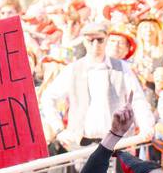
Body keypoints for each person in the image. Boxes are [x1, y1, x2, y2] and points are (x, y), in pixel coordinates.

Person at [39, 21, 155, 149]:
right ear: (84, 41)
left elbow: (137, 100)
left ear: (106, 40)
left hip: (119, 144)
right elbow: (48, 97)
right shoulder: (73, 69)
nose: (95, 45)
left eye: (99, 40)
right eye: (90, 40)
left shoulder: (121, 67)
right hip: (82, 145)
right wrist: (59, 129)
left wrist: (146, 126)